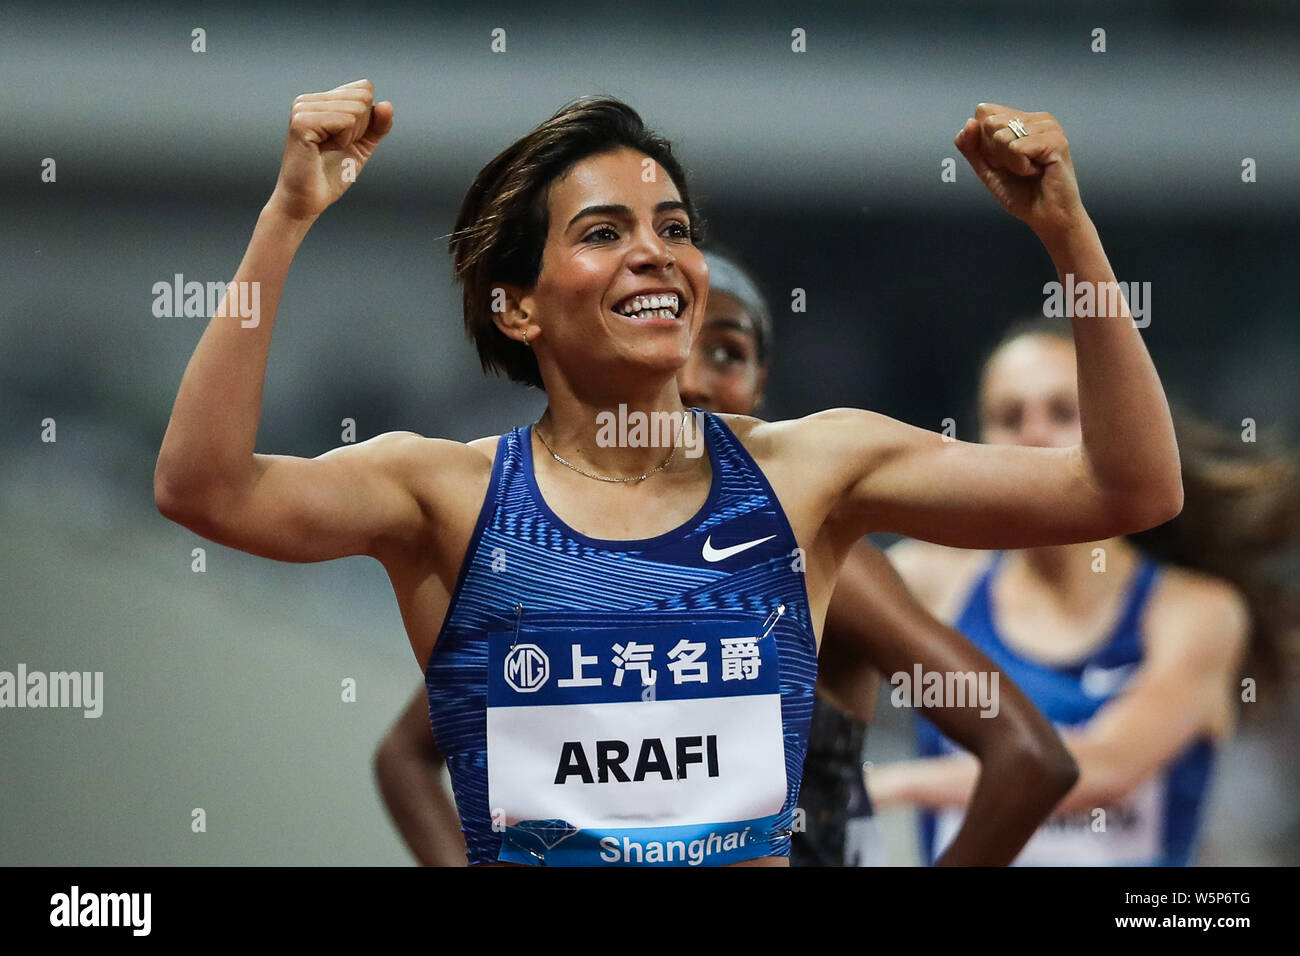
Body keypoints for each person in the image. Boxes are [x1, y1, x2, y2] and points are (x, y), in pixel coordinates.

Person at [155, 80, 1184, 866]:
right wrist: (286, 217)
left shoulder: (808, 471)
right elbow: (206, 487)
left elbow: (1125, 489)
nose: (657, 254)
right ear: (515, 305)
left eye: (675, 229)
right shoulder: (446, 495)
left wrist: (1067, 233)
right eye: (605, 233)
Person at [373, 248, 1077, 867]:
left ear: (761, 384)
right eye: (679, 350)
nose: (698, 380)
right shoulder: (573, 562)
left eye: (728, 353)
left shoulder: (816, 556)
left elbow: (1029, 759)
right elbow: (406, 756)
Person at [869, 316, 1299, 865]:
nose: (1032, 435)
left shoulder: (1194, 611)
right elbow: (797, 603)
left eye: (1062, 413)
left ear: (1118, 432)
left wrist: (893, 785)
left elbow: (1107, 765)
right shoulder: (930, 583)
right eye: (1007, 417)